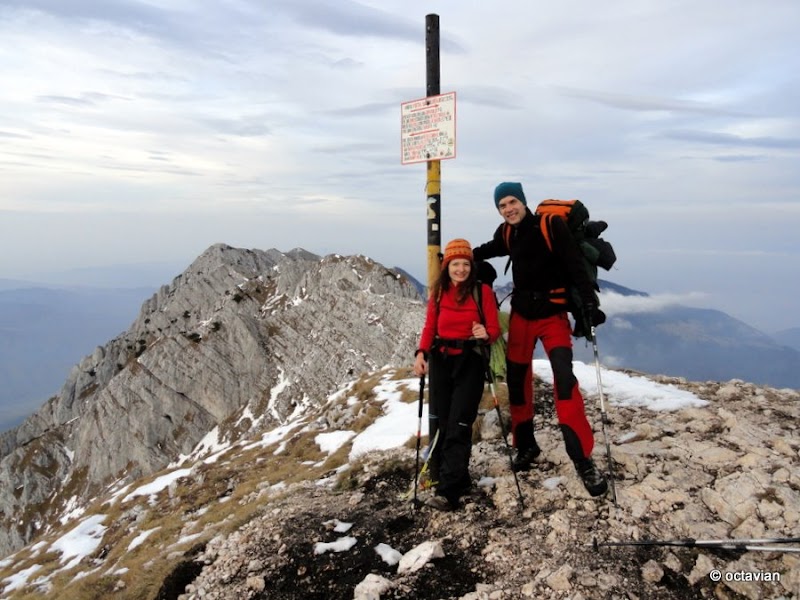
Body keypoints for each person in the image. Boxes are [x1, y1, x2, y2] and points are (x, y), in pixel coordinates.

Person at [472, 182, 608, 497]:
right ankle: (526, 446)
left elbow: (575, 264)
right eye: (502, 205)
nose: (508, 209)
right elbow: (488, 249)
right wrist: (459, 256)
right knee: (517, 380)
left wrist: (589, 304)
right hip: (522, 315)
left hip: (552, 315)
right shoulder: (507, 233)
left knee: (564, 379)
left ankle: (582, 459)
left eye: (512, 202)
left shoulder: (550, 225)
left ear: (523, 201)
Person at [413, 239, 502, 511]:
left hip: (470, 361)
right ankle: (456, 479)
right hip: (441, 360)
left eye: (465, 264)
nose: (461, 269)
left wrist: (484, 333)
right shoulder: (439, 292)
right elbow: (430, 327)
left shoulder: (482, 292)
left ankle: (448, 490)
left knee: (460, 423)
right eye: (455, 264)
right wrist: (421, 353)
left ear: (471, 266)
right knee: (442, 421)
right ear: (447, 266)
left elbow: (494, 329)